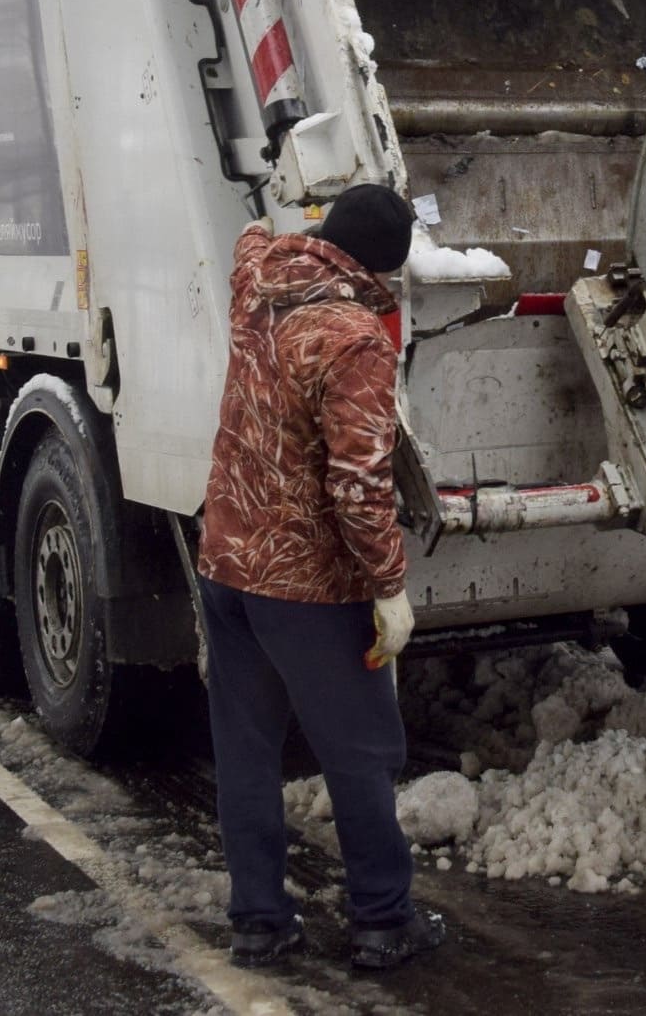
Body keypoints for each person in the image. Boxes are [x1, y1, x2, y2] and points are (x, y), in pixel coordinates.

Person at [195, 183, 444, 972]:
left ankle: (260, 924)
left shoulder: (258, 288)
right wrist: (389, 586)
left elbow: (248, 237)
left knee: (246, 753)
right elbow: (360, 483)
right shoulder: (354, 337)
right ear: (386, 267)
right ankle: (381, 920)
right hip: (308, 589)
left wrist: (287, 210)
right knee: (362, 753)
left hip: (228, 568)